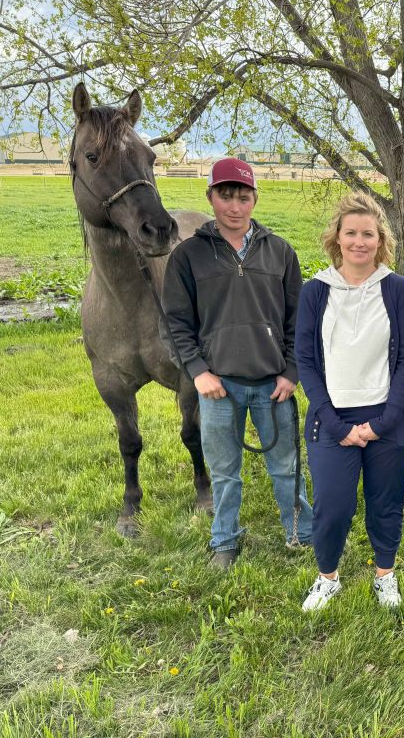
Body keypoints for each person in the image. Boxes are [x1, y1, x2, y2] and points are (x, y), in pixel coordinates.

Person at [163, 157, 313, 569]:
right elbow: (175, 322)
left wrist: (291, 373)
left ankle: (301, 532)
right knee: (225, 471)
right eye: (225, 196)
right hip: (219, 386)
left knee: (286, 467)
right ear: (210, 197)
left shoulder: (280, 252)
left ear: (254, 199)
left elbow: (297, 320)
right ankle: (225, 539)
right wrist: (198, 371)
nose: (234, 205)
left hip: (273, 385)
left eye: (243, 196)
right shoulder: (189, 257)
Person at [295, 192, 404, 611]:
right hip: (332, 419)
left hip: (389, 418)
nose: (359, 241)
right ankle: (327, 576)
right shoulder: (315, 291)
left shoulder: (398, 289)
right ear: (337, 238)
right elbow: (306, 362)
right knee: (332, 506)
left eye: (368, 233)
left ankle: (385, 574)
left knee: (386, 503)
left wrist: (381, 424)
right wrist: (337, 426)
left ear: (380, 240)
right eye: (351, 233)